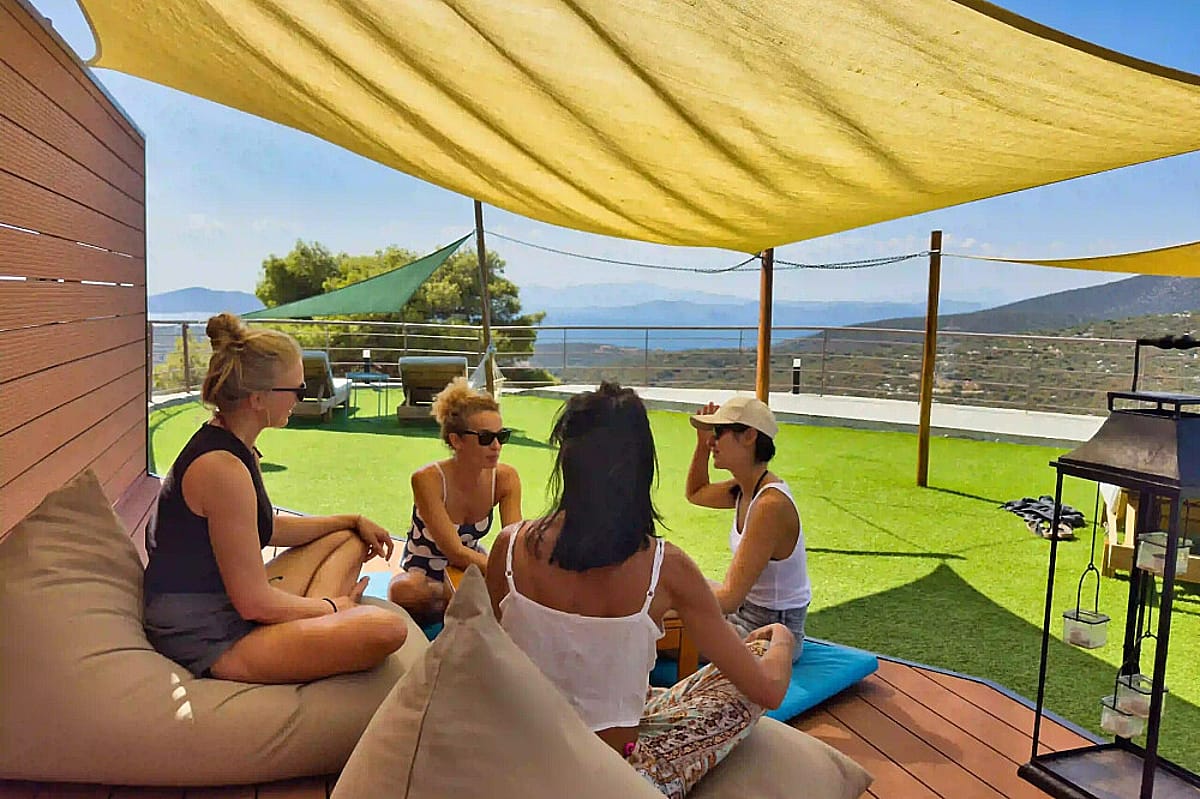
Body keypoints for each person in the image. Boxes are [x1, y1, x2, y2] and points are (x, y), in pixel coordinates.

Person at [486, 382, 793, 799]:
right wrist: (782, 638)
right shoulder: (666, 568)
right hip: (620, 776)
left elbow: (485, 656)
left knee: (647, 690)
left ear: (567, 459)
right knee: (751, 661)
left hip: (522, 755)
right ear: (640, 467)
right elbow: (768, 691)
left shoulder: (506, 547)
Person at [142, 313, 408, 683]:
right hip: (206, 633)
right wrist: (335, 606)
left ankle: (317, 623)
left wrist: (351, 519)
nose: (301, 398)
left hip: (232, 605)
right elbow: (254, 602)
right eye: (297, 390)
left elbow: (264, 529)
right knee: (387, 629)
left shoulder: (238, 448)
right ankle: (327, 618)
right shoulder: (221, 469)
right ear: (257, 398)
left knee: (347, 539)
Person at [685, 396, 810, 661]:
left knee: (661, 633)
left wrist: (671, 601)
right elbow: (696, 493)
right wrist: (701, 445)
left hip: (769, 633)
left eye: (719, 433)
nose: (712, 441)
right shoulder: (745, 490)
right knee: (674, 590)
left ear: (750, 436)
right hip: (743, 611)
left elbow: (729, 598)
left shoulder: (770, 506)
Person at [389, 377, 521, 623]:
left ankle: (455, 599)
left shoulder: (505, 478)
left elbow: (514, 542)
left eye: (501, 436)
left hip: (471, 566)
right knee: (404, 590)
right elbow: (455, 551)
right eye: (485, 438)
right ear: (456, 440)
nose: (496, 446)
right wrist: (506, 574)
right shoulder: (427, 479)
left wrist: (515, 571)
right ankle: (457, 597)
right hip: (425, 569)